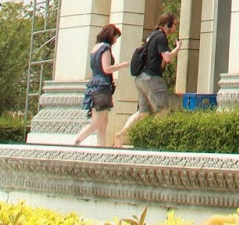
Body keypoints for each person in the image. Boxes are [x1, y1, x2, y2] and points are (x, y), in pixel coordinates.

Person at [113, 12, 181, 148]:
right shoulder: (161, 36)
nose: (176, 27)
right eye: (175, 25)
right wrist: (177, 48)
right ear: (168, 24)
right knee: (163, 110)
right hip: (152, 78)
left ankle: (121, 135)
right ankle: (153, 139)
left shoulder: (152, 35)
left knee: (143, 111)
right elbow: (167, 57)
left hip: (140, 78)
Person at [72, 24, 127, 147]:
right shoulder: (106, 47)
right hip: (102, 86)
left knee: (103, 122)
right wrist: (122, 65)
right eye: (115, 37)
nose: (115, 40)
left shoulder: (95, 47)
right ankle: (77, 141)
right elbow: (107, 68)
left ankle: (101, 147)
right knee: (97, 122)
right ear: (110, 35)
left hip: (94, 85)